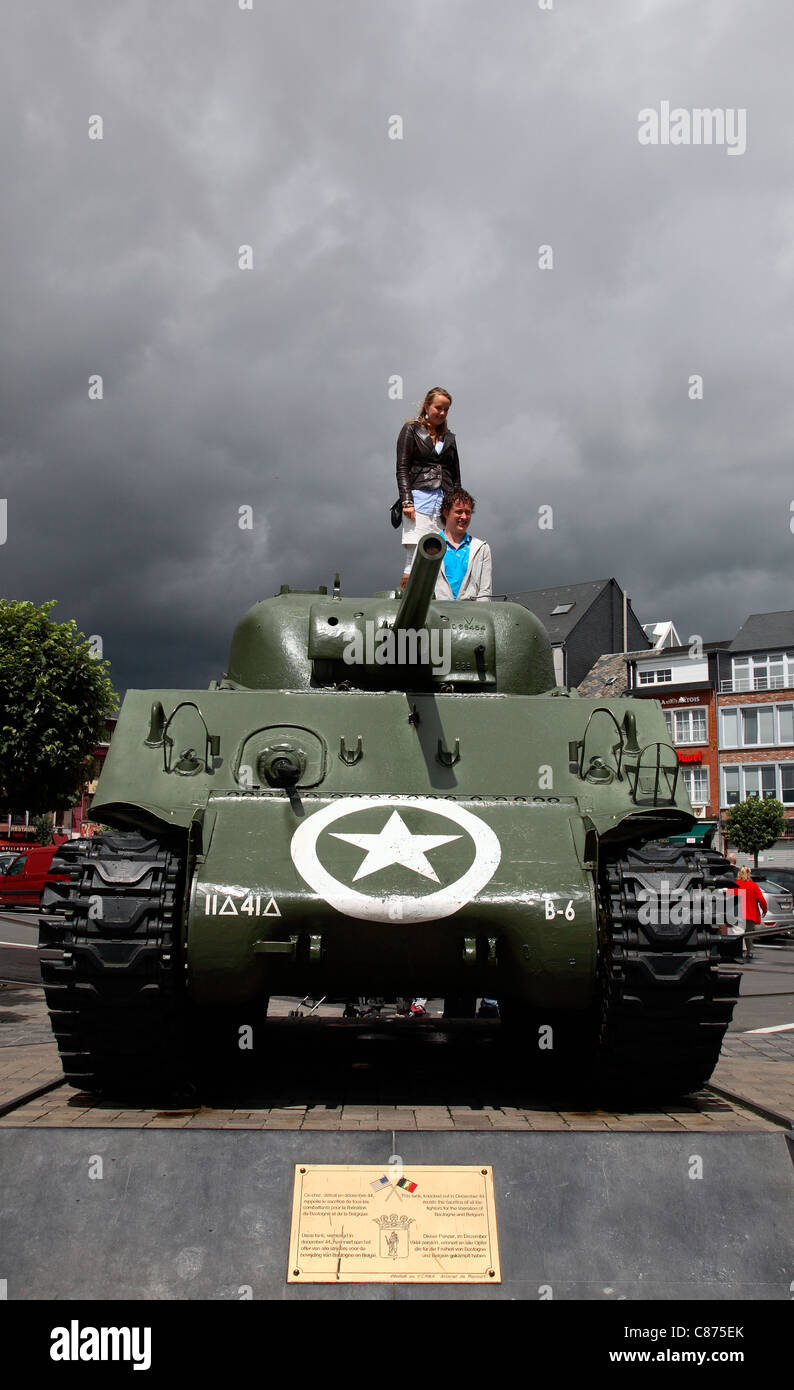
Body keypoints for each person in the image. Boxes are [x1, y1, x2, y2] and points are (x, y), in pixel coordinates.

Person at [396, 387, 461, 586]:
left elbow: (456, 474)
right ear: (427, 406)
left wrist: (457, 506)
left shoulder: (449, 438)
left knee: (439, 552)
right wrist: (407, 500)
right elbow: (402, 467)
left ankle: (435, 599)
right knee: (414, 553)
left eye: (446, 409)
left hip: (444, 502)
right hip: (419, 498)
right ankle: (406, 599)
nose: (442, 413)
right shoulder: (411, 429)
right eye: (438, 408)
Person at [434, 488, 492, 601]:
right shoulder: (428, 545)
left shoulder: (482, 548)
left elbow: (485, 592)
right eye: (459, 511)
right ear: (446, 513)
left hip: (469, 616)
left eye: (468, 512)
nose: (464, 517)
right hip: (436, 614)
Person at [730, 867, 767, 961]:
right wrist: (764, 910)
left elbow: (728, 898)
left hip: (736, 913)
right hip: (750, 914)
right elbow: (761, 899)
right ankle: (749, 951)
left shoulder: (733, 885)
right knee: (749, 934)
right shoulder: (753, 885)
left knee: (738, 933)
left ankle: (738, 950)